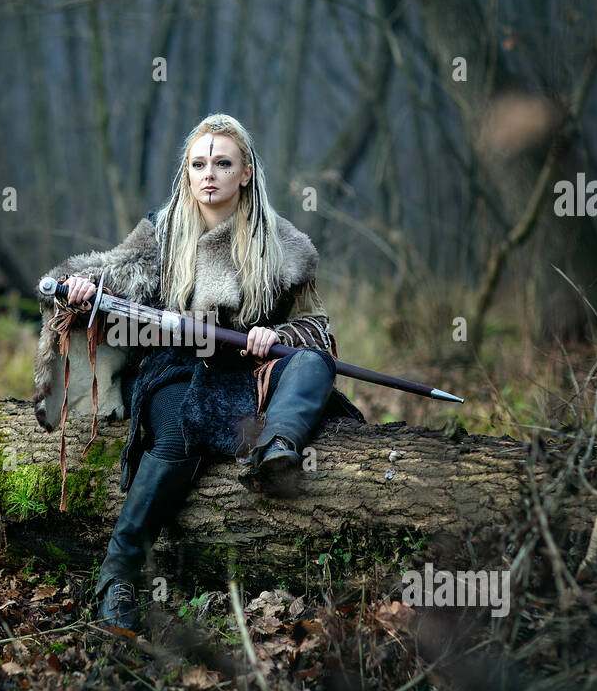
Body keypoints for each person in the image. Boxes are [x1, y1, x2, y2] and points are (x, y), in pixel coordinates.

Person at [33, 113, 364, 632]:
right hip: (175, 370)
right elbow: (110, 277)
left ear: (246, 172)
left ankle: (275, 450)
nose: (209, 174)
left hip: (253, 370)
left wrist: (277, 338)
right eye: (198, 164)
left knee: (311, 365)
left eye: (223, 163)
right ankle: (117, 576)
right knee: (182, 424)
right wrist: (81, 290)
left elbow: (318, 332)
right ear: (187, 173)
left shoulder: (284, 245)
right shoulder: (160, 234)